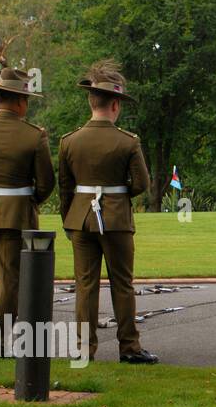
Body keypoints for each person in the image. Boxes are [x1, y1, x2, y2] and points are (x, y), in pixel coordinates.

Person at [59, 60, 155, 363]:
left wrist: (69, 220)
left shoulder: (69, 141)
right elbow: (142, 183)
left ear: (91, 101)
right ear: (115, 105)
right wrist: (118, 195)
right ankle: (129, 347)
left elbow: (65, 188)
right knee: (122, 284)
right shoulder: (127, 141)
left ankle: (84, 349)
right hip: (116, 220)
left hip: (80, 220)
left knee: (85, 286)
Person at [0, 67, 55, 330]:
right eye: (26, 99)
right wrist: (30, 201)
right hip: (16, 214)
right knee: (10, 280)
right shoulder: (34, 135)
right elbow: (46, 182)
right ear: (18, 101)